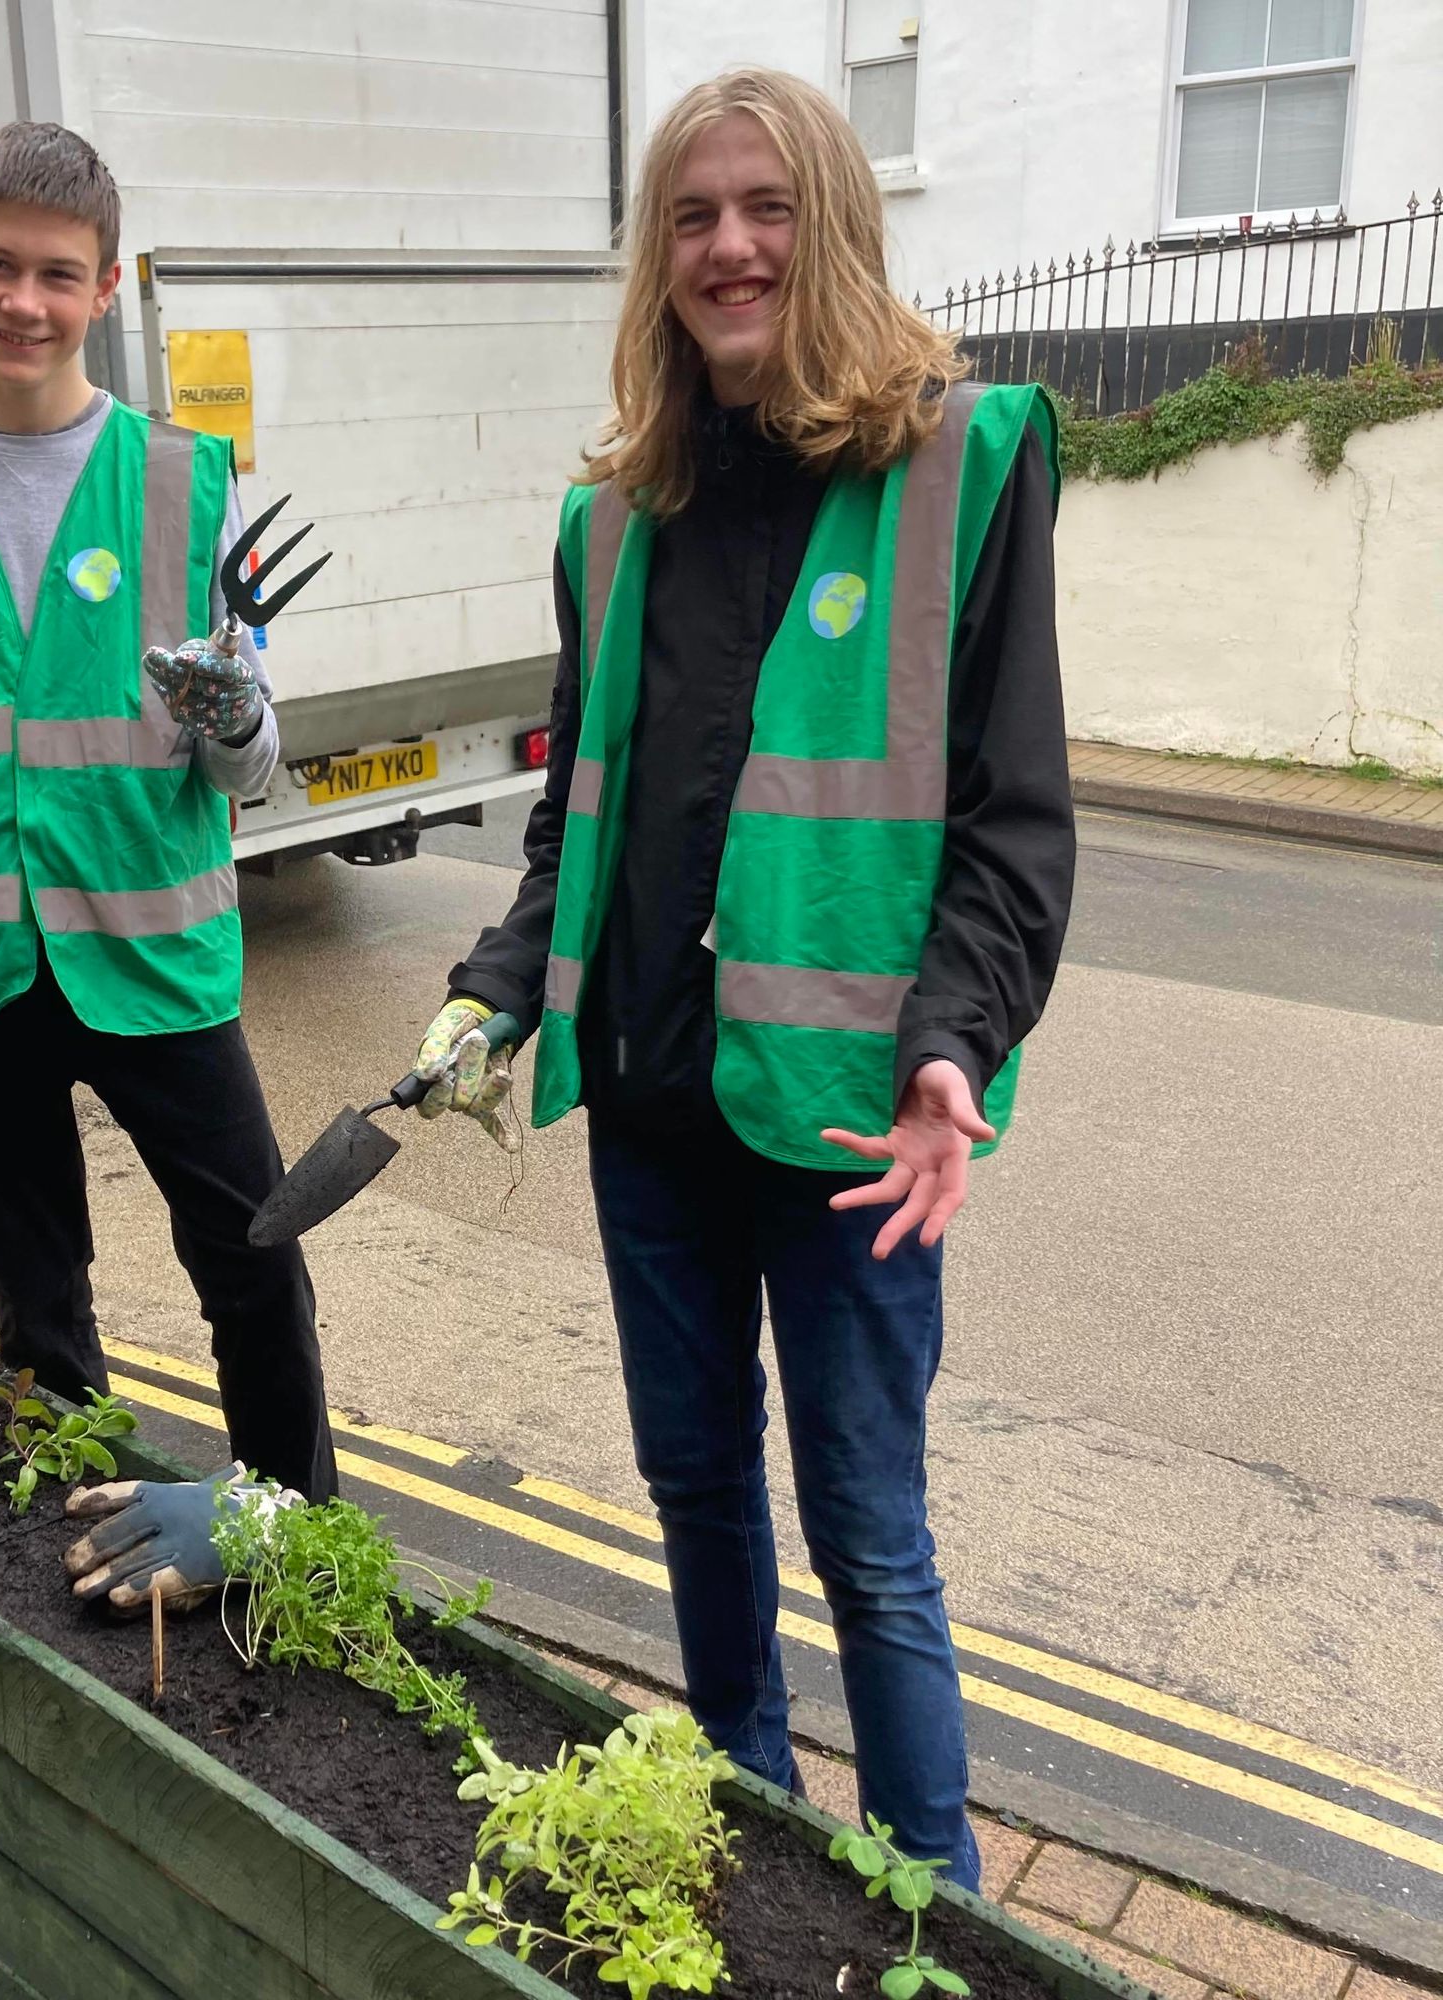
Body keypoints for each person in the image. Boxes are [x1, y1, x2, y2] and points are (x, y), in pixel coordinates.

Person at [410, 68, 1074, 1885]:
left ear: (834, 224)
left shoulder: (961, 464)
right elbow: (584, 819)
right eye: (693, 216)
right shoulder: (613, 512)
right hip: (651, 1103)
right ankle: (743, 1833)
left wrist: (958, 1040)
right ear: (658, 258)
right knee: (696, 1495)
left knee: (869, 1535)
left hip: (853, 1120)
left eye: (765, 207)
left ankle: (932, 1903)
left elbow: (1015, 822)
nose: (729, 245)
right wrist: (499, 982)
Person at [0, 121, 336, 1519]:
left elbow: (251, 771)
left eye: (57, 274)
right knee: (34, 1301)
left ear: (107, 288)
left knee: (254, 1264)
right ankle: (72, 1539)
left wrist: (230, 715)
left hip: (149, 958)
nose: (23, 303)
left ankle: (290, 1534)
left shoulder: (182, 481)